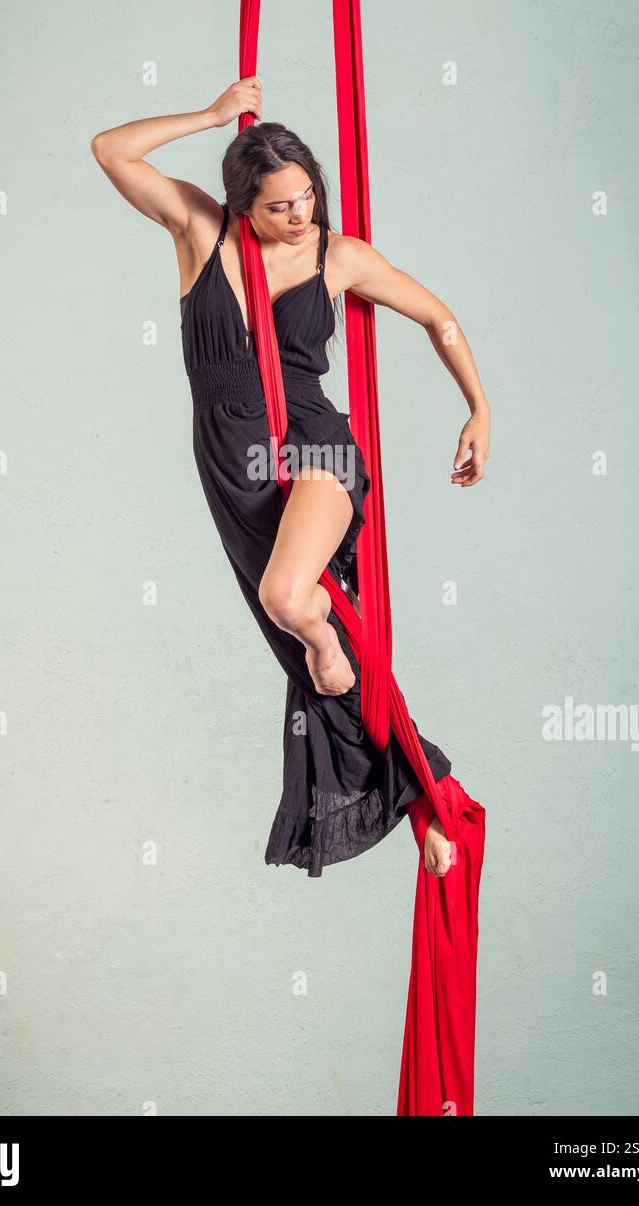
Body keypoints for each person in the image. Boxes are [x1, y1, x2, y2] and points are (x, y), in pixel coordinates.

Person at [91, 76, 490, 880]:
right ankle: (429, 799)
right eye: (279, 206)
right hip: (231, 457)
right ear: (244, 204)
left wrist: (477, 407)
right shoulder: (201, 232)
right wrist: (210, 116)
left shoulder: (338, 256)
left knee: (290, 600)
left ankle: (344, 674)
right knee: (308, 635)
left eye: (306, 196)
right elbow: (111, 150)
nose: (300, 214)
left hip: (316, 446)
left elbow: (438, 318)